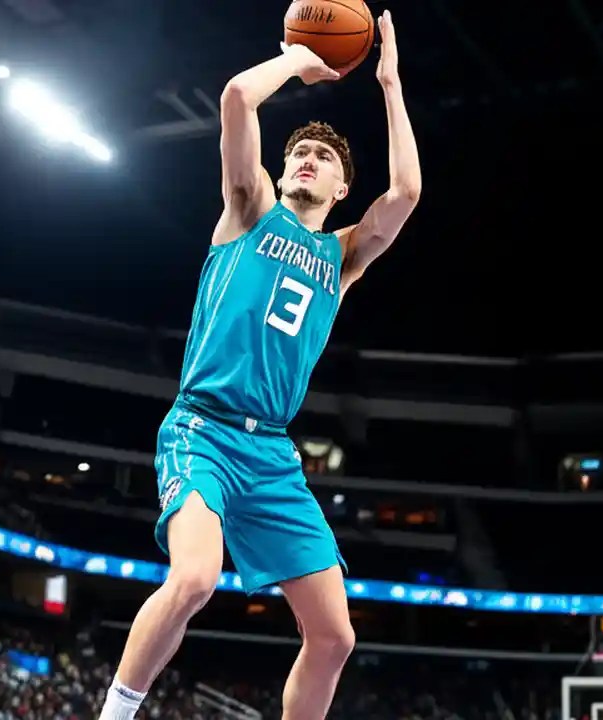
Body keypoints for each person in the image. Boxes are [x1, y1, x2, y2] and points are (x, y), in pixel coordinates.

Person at [98, 10, 420, 720]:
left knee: (335, 636)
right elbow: (238, 100)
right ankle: (115, 715)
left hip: (271, 452)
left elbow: (404, 197)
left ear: (341, 190)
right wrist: (296, 60)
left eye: (325, 158)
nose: (307, 157)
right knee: (194, 580)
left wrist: (391, 85)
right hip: (203, 429)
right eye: (299, 150)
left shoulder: (343, 258)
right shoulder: (251, 210)